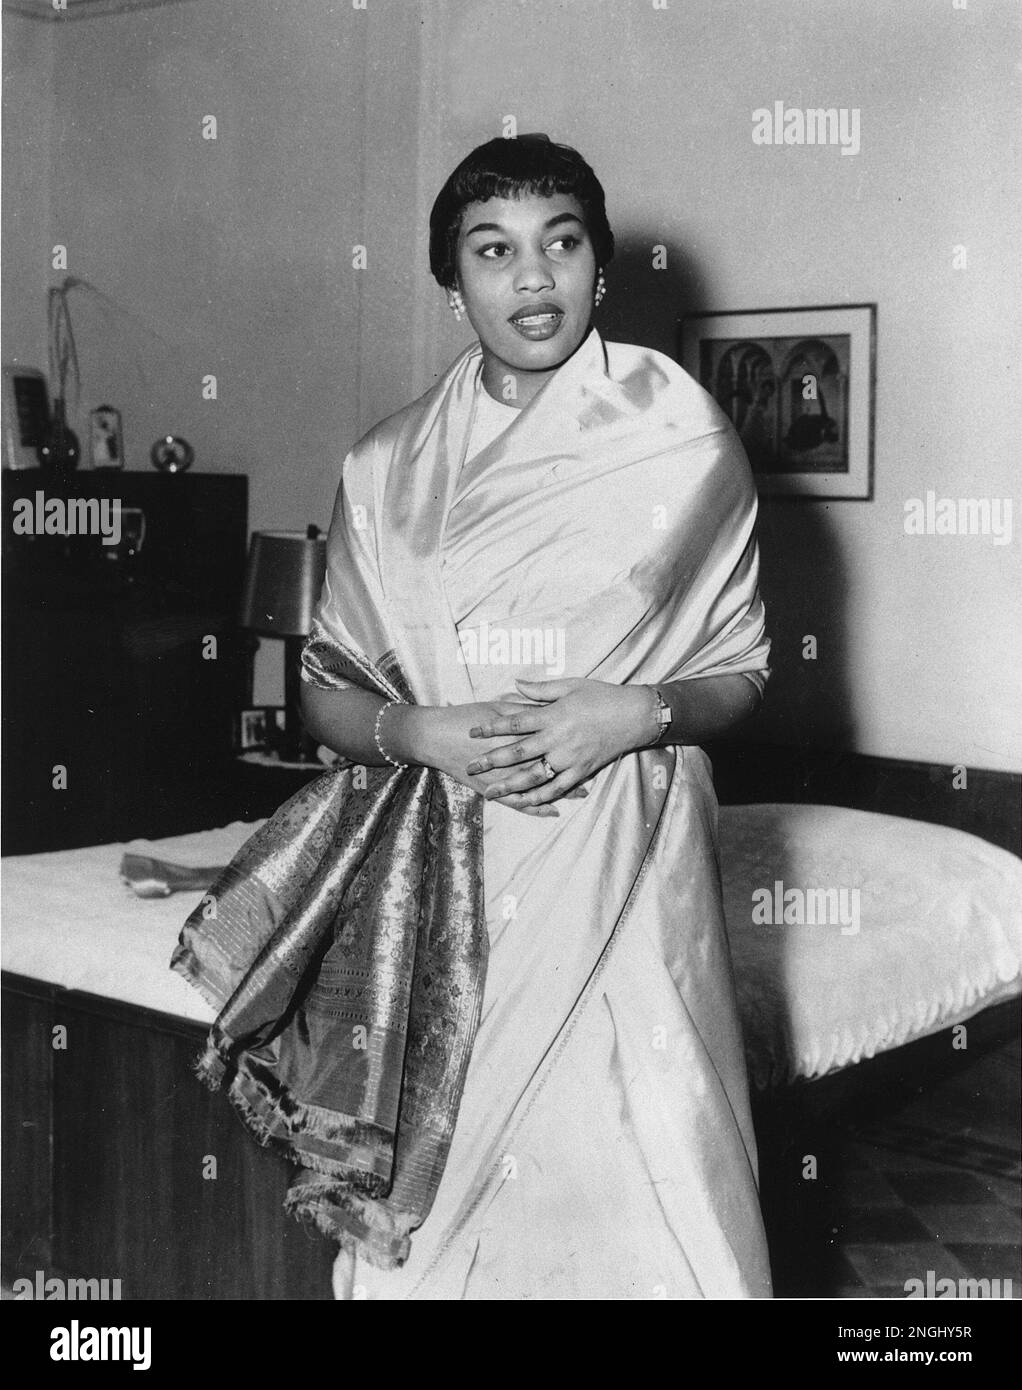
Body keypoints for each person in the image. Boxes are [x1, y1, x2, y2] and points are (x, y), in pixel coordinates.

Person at [295, 134, 774, 1300]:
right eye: (492, 251)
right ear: (449, 282)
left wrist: (637, 712)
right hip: (445, 864)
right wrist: (414, 733)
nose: (530, 279)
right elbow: (322, 686)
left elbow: (744, 670)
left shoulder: (682, 434)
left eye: (559, 245)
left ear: (599, 271)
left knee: (644, 1165)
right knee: (450, 1192)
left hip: (627, 855)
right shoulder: (385, 466)